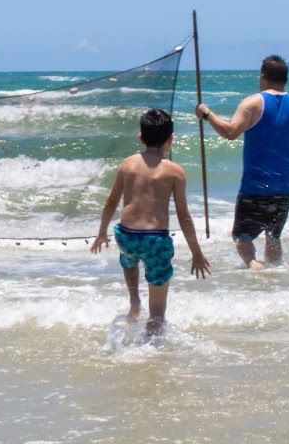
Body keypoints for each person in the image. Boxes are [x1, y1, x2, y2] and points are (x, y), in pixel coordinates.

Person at [196, 54, 289, 269]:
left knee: (242, 236)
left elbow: (230, 132)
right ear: (285, 78)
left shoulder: (252, 103)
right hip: (285, 184)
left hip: (255, 184)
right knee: (273, 235)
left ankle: (256, 268)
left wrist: (206, 114)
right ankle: (275, 274)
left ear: (263, 76)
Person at [90, 108, 211, 338]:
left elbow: (111, 201)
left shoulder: (127, 164)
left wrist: (101, 232)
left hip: (125, 235)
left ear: (141, 138)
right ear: (170, 140)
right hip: (155, 239)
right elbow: (184, 215)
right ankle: (151, 348)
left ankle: (134, 301)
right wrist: (196, 252)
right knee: (157, 312)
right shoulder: (175, 171)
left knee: (130, 261)